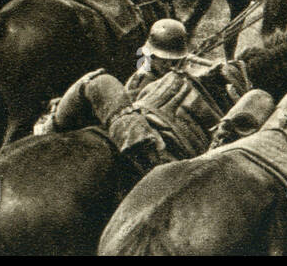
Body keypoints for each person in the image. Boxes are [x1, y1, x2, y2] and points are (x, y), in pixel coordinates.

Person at [46, 19, 241, 173]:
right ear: (151, 56)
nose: (169, 66)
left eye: (175, 61)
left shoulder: (171, 73)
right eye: (163, 60)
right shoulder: (141, 80)